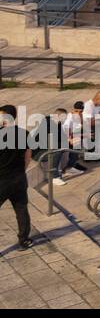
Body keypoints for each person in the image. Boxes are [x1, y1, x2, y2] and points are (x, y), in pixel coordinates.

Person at [0, 105, 33, 250]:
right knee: (21, 209)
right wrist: (21, 172)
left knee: (21, 209)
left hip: (2, 180)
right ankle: (24, 240)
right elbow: (28, 157)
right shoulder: (24, 133)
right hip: (19, 178)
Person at [52, 102, 89, 183]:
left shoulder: (78, 116)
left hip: (61, 139)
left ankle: (70, 167)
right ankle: (55, 176)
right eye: (77, 111)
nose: (78, 113)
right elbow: (65, 131)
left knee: (77, 142)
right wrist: (70, 139)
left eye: (80, 112)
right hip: (53, 143)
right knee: (66, 147)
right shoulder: (68, 118)